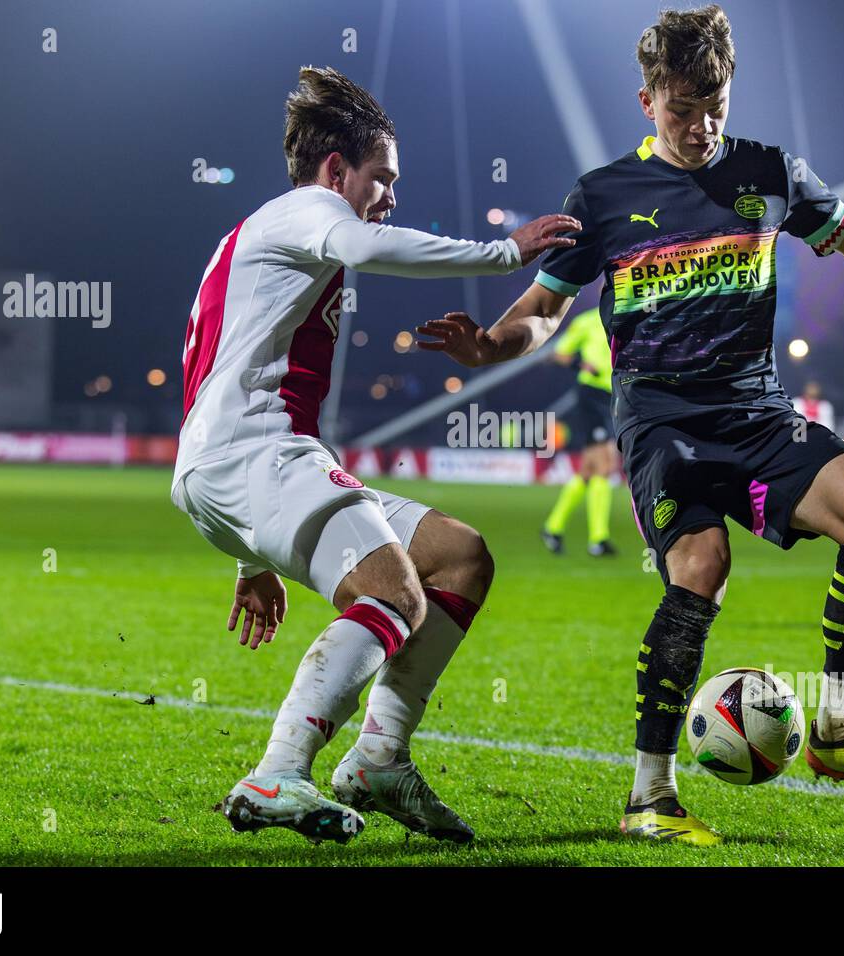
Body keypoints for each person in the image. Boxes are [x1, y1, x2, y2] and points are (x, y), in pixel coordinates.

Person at [417, 5, 844, 845]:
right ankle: (648, 796)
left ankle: (839, 732)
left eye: (715, 104)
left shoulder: (771, 174)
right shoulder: (603, 196)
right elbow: (542, 311)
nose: (700, 127)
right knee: (701, 566)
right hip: (662, 419)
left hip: (757, 409)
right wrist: (490, 346)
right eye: (681, 108)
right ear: (646, 101)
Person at [172, 66, 577, 845]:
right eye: (381, 177)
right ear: (335, 171)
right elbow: (363, 238)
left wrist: (249, 560)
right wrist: (503, 252)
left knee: (459, 558)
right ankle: (278, 771)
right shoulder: (310, 210)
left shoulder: (256, 234)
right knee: (396, 593)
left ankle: (379, 759)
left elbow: (217, 378)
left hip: (233, 464)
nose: (389, 194)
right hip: (256, 453)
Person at [542, 305, 619, 557]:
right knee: (606, 464)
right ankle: (598, 539)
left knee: (589, 470)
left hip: (611, 396)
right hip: (591, 395)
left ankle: (553, 527)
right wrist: (581, 364)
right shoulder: (586, 321)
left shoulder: (623, 316)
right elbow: (560, 353)